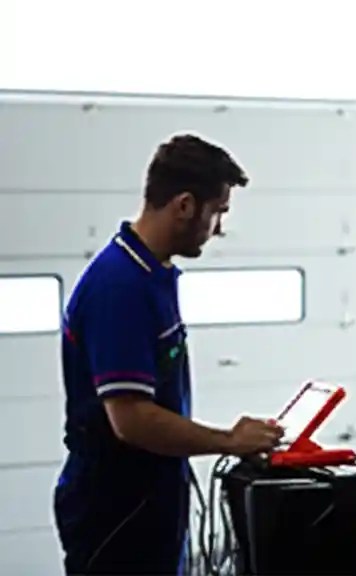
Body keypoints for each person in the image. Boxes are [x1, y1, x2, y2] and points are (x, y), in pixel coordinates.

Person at [53, 134, 286, 575]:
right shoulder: (120, 286)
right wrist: (227, 441)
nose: (217, 228)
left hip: (150, 503)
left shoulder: (153, 275)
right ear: (183, 205)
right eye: (217, 212)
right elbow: (131, 418)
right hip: (116, 511)